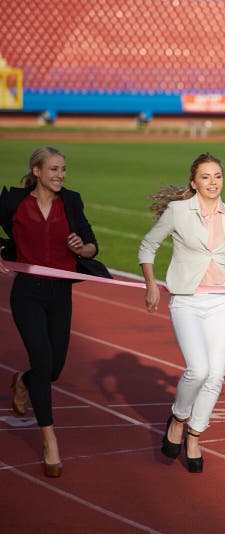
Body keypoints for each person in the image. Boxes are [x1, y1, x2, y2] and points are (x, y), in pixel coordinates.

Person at [138, 153, 225, 474]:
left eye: (217, 176)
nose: (213, 182)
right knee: (197, 370)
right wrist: (151, 284)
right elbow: (148, 246)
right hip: (186, 300)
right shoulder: (178, 211)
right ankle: (178, 418)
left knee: (216, 375)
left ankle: (195, 435)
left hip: (220, 301)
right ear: (194, 182)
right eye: (206, 177)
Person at [0, 146, 106, 478]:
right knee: (44, 359)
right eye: (54, 169)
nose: (60, 175)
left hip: (60, 294)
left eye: (63, 170)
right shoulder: (14, 202)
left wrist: (80, 247)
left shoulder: (71, 201)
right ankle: (49, 440)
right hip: (27, 292)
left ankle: (24, 380)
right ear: (36, 172)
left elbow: (92, 245)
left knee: (53, 368)